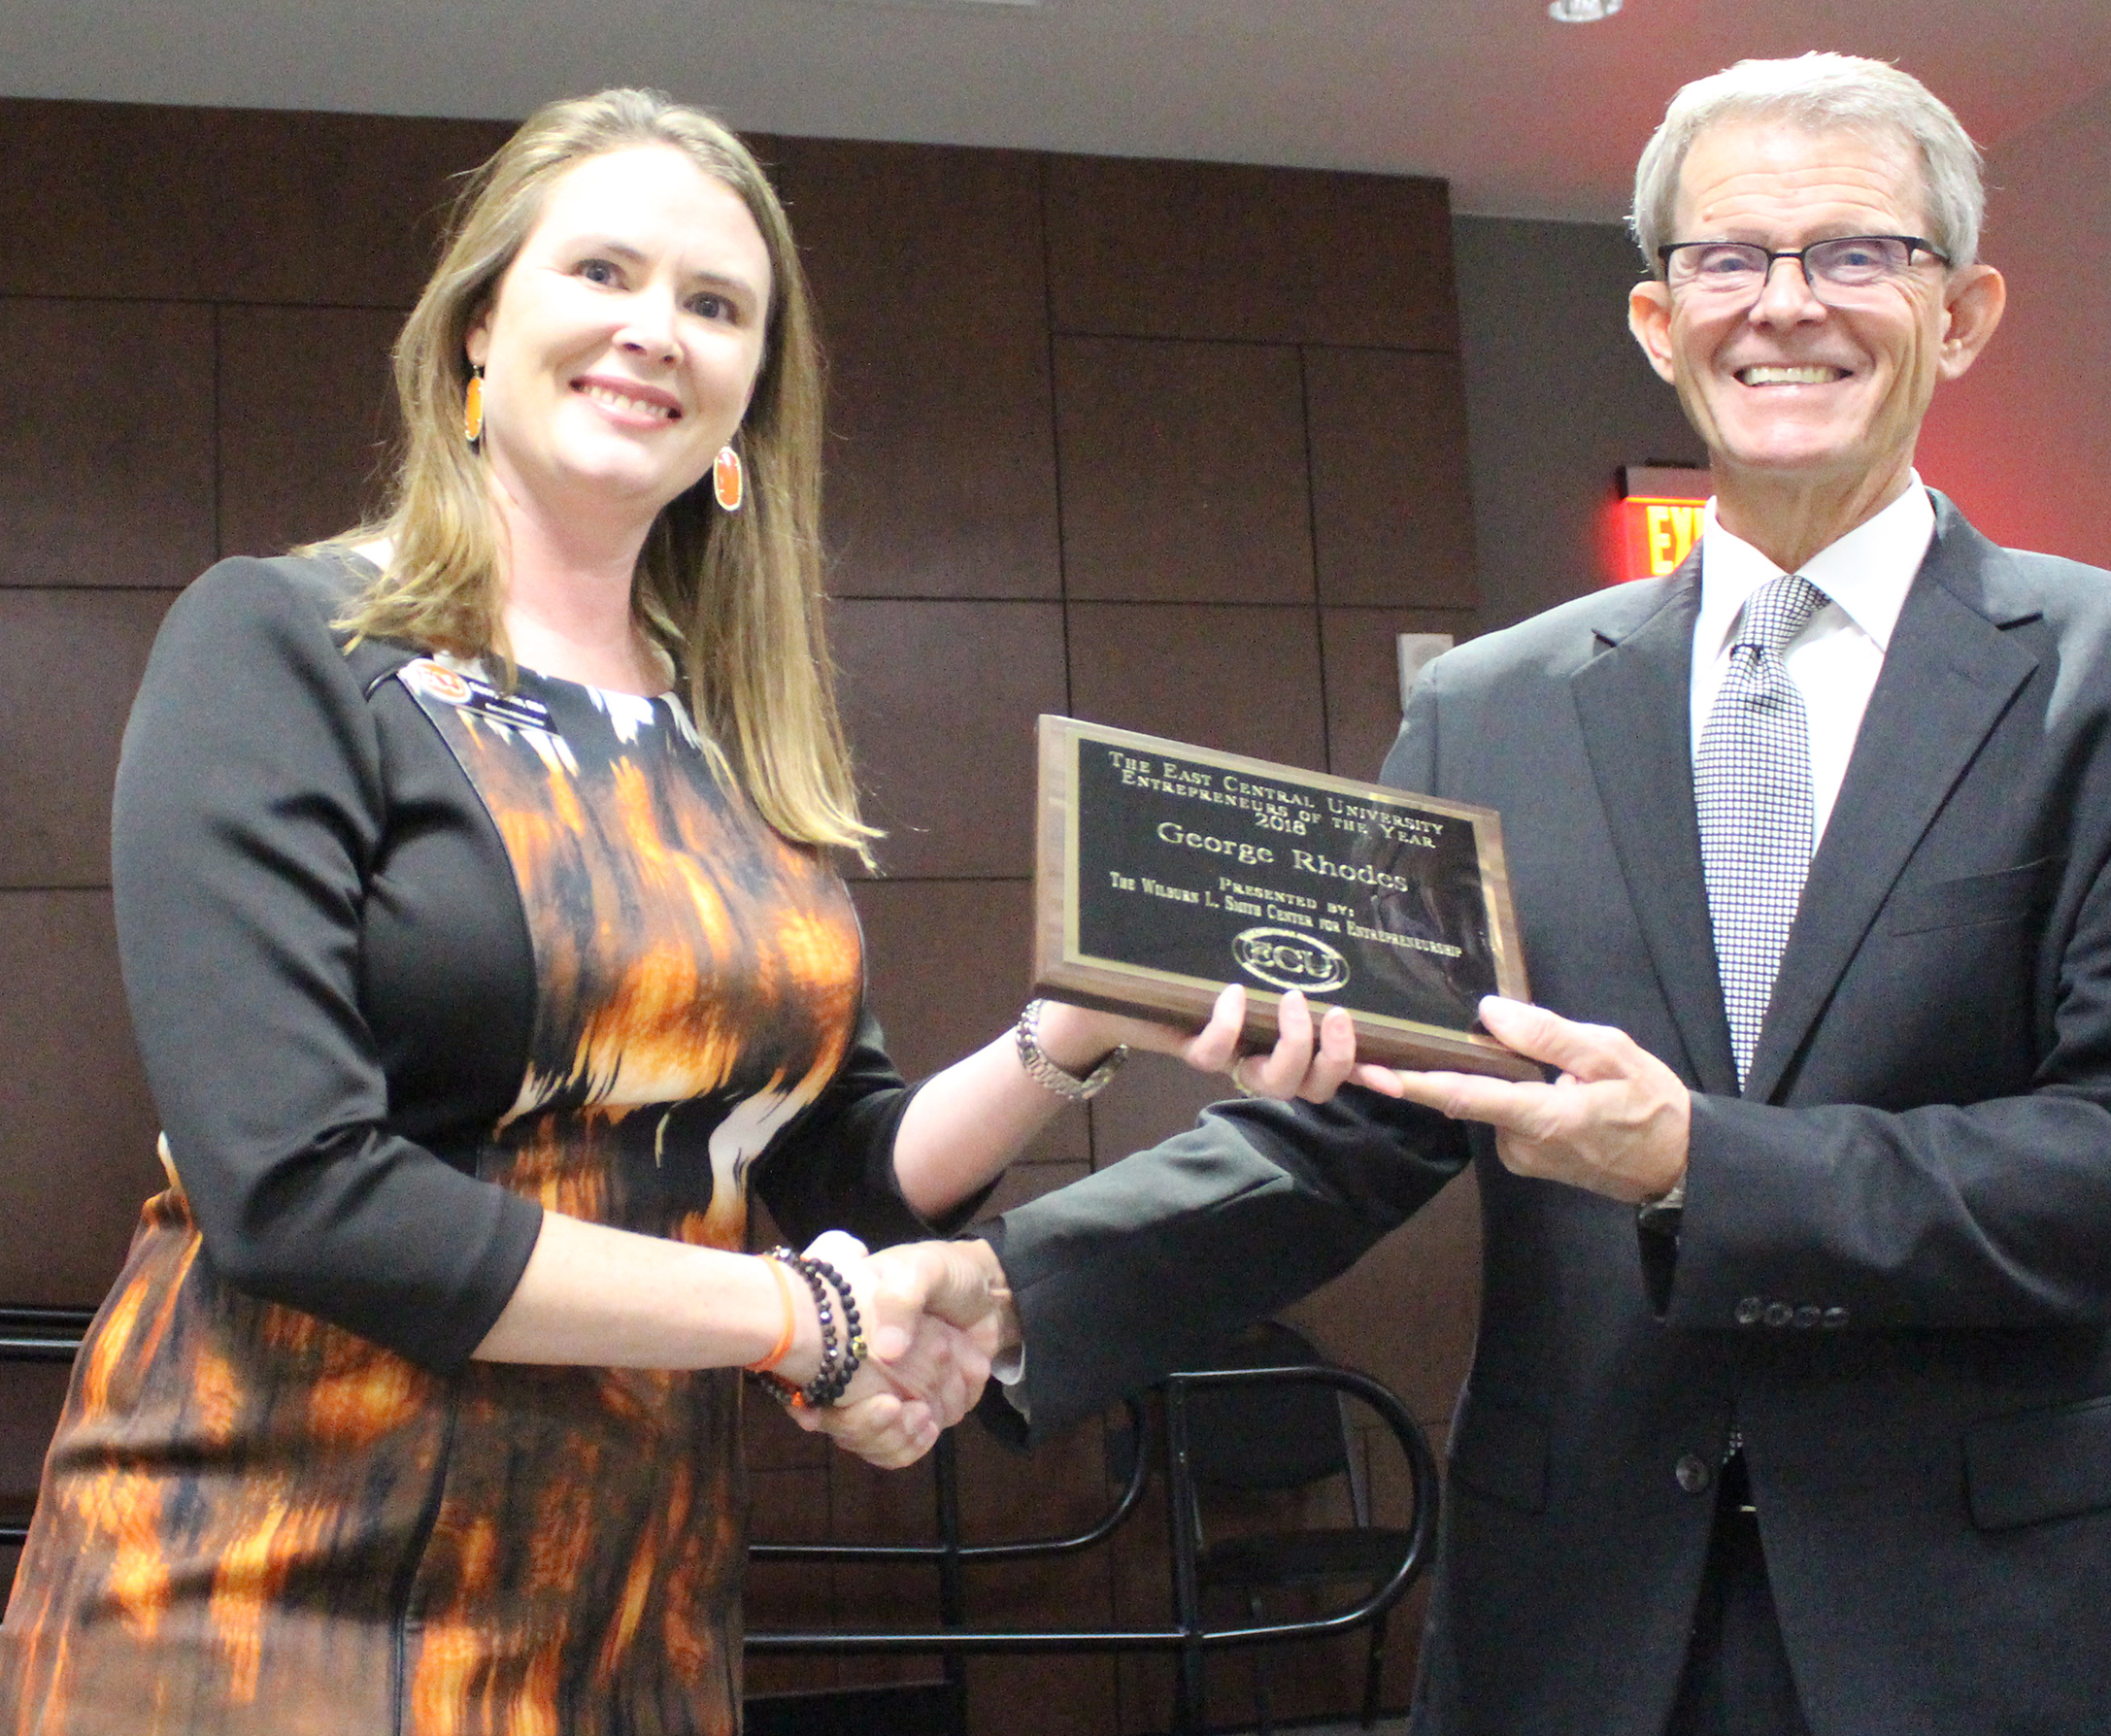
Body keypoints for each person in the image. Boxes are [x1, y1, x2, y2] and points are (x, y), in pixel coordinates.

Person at [922, 52, 2111, 1736]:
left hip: (1987, 1623)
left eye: (1859, 253)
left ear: (1967, 311)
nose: (1786, 308)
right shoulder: (1489, 705)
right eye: (1729, 259)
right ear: (1656, 321)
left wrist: (1702, 1164)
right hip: (1576, 1616)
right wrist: (1021, 1291)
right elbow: (1372, 1115)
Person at [0, 88, 1349, 1736]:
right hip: (263, 1592)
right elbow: (295, 1188)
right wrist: (808, 1320)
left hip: (626, 1602)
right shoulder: (285, 644)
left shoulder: (726, 734)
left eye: (716, 307)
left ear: (747, 408)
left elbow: (836, 1165)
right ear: (477, 330)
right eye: (604, 273)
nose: (657, 331)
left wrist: (1077, 1029)